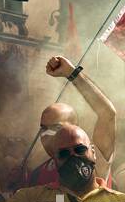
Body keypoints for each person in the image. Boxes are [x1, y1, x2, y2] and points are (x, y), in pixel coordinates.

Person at [14, 55, 118, 189]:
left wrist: (71, 73)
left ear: (75, 129)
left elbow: (107, 113)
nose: (47, 134)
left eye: (56, 127)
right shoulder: (37, 174)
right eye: (43, 128)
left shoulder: (89, 158)